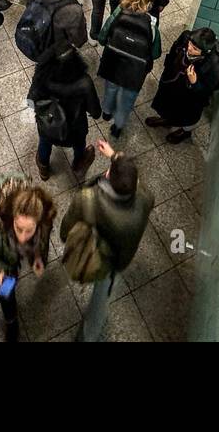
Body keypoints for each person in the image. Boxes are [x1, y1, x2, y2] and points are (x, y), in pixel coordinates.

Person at [60, 141, 153, 341]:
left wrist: (66, 237)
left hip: (98, 256)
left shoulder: (89, 199)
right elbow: (132, 181)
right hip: (117, 263)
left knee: (97, 304)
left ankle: (86, 337)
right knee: (101, 302)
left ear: (108, 176)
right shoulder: (145, 199)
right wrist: (114, 155)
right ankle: (88, 337)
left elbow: (67, 225)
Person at [26, 0, 99, 181]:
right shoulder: (84, 82)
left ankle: (43, 166)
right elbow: (95, 111)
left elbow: (33, 96)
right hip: (74, 125)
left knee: (45, 141)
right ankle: (78, 163)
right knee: (78, 143)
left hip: (49, 120)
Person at [0, 173, 55, 342]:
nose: (23, 237)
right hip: (6, 267)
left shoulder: (43, 217)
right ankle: (11, 323)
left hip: (11, 254)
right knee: (6, 293)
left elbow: (43, 238)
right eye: (19, 229)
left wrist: (38, 257)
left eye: (29, 230)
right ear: (11, 220)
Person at [97, 0, 162, 137]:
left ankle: (106, 112)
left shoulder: (118, 14)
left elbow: (102, 37)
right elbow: (155, 53)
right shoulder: (151, 26)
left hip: (113, 64)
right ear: (147, 5)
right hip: (134, 71)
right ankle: (117, 127)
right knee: (126, 99)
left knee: (110, 89)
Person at [148, 27, 219, 143]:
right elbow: (173, 51)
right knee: (167, 103)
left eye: (195, 49)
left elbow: (207, 91)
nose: (189, 48)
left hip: (190, 95)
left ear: (205, 52)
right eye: (190, 44)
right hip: (174, 82)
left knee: (187, 115)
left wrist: (194, 82)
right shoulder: (186, 37)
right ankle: (166, 119)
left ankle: (185, 132)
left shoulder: (213, 66)